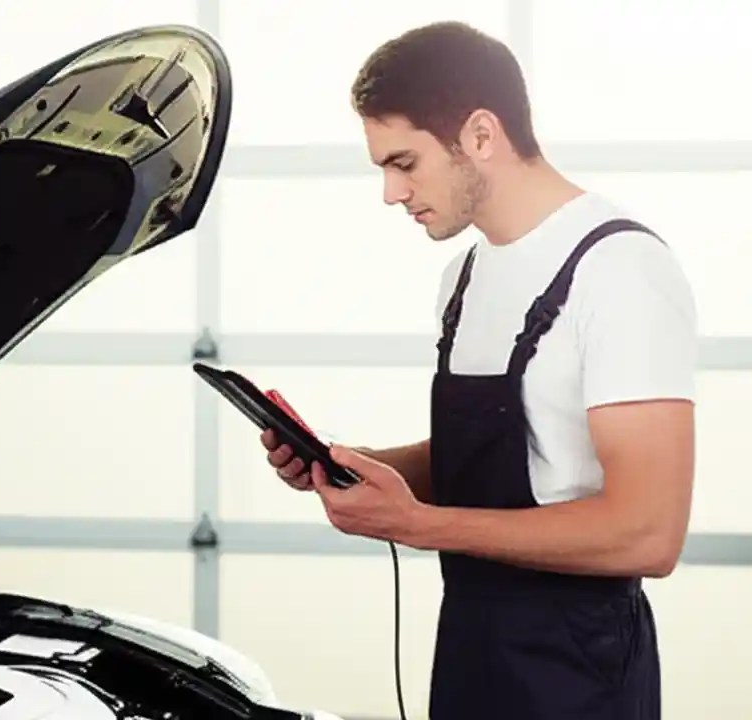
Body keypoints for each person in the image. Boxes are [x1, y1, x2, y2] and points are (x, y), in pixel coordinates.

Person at [260, 20, 696, 720]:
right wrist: (356, 466)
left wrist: (417, 524)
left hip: (578, 671)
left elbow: (649, 531)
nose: (391, 193)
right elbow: (511, 450)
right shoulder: (464, 277)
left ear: (481, 135)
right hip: (469, 648)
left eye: (404, 163)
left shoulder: (620, 272)